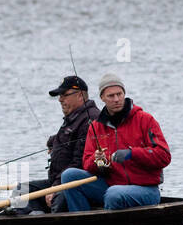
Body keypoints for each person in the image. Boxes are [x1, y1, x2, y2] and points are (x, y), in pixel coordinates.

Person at [59, 73, 170, 211]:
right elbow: (87, 162)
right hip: (110, 185)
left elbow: (164, 156)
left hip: (146, 190)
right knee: (69, 176)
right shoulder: (95, 126)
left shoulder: (145, 120)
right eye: (111, 96)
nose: (116, 99)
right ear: (102, 98)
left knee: (114, 194)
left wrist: (132, 153)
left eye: (119, 94)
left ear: (124, 94)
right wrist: (97, 160)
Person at [12, 75, 101, 214]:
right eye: (60, 96)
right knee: (21, 190)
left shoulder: (91, 119)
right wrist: (53, 141)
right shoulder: (74, 117)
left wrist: (56, 187)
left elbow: (79, 162)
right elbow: (68, 138)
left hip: (77, 185)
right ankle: (27, 220)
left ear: (80, 96)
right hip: (57, 181)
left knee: (59, 199)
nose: (60, 99)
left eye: (64, 95)